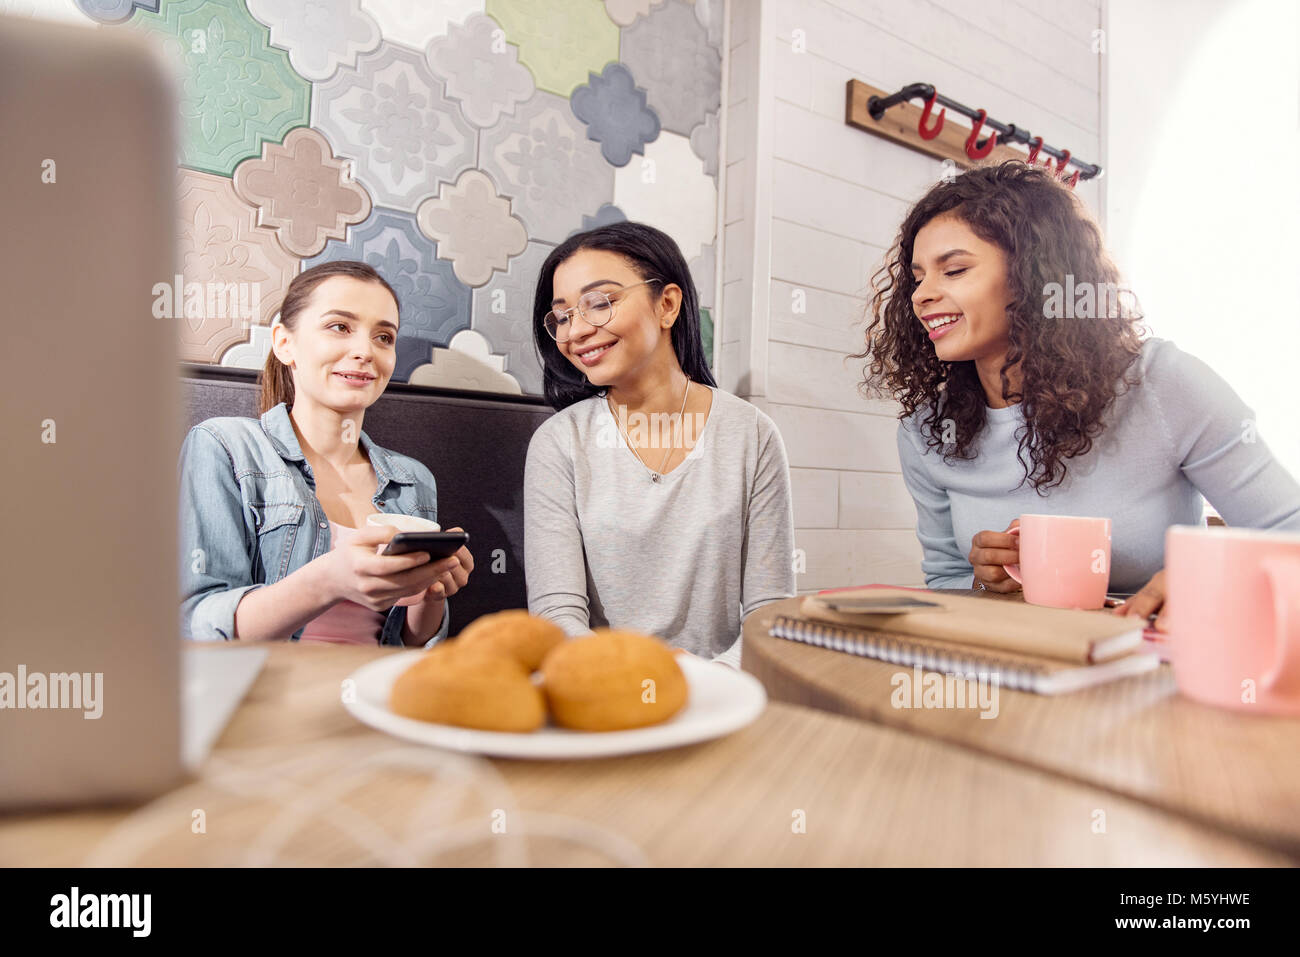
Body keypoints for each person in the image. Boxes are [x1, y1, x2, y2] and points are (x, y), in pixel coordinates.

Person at [857, 160, 1300, 629]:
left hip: (1154, 664)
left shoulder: (1162, 384)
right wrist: (986, 583)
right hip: (1018, 672)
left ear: (1032, 276)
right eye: (918, 276)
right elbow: (948, 581)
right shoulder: (926, 432)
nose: (922, 295)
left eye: (955, 269)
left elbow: (1290, 536)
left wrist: (1211, 575)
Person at [524, 222, 794, 662]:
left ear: (666, 304)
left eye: (599, 303)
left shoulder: (752, 435)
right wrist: (639, 678)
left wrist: (710, 680)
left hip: (724, 693)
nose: (575, 332)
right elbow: (557, 614)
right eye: (564, 315)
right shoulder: (559, 442)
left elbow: (771, 610)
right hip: (604, 690)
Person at [179, 260, 473, 645]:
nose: (365, 351)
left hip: (375, 696)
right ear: (285, 343)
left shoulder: (413, 479)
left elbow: (409, 644)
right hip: (266, 696)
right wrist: (328, 581)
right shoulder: (225, 447)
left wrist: (431, 593)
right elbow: (197, 624)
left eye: (384, 337)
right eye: (340, 327)